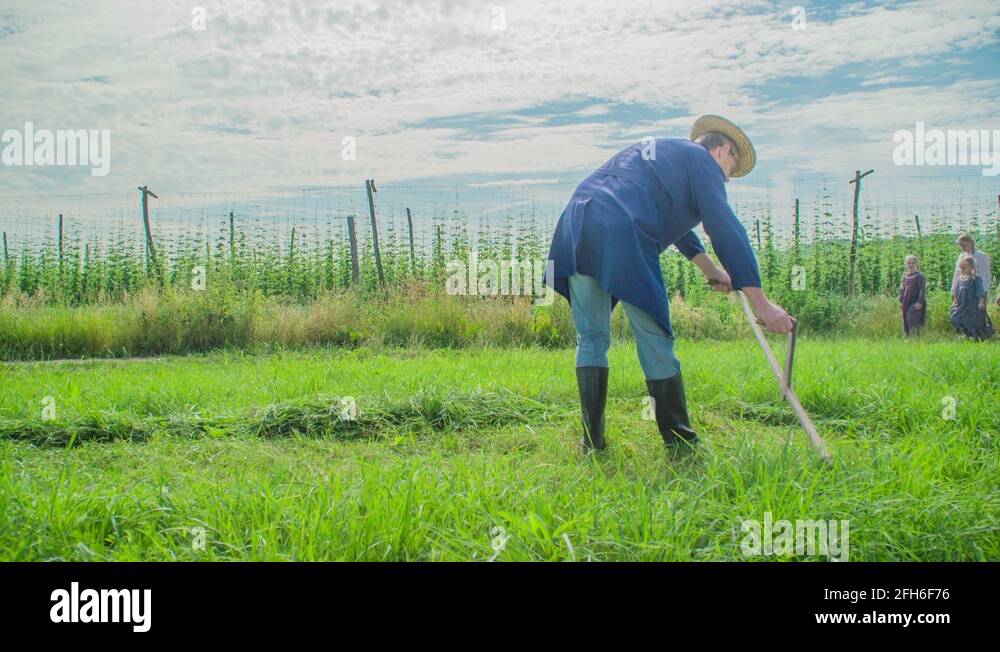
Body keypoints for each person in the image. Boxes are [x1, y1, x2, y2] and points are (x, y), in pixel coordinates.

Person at [546, 115, 793, 454]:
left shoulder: (665, 157)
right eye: (732, 169)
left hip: (575, 221)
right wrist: (762, 303)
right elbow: (724, 227)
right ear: (722, 150)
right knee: (655, 335)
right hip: (621, 230)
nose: (728, 180)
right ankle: (679, 442)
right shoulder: (702, 161)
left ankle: (592, 443)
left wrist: (711, 270)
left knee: (591, 338)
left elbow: (678, 227)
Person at [950, 255, 994, 341]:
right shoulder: (960, 279)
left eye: (964, 268)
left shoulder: (976, 278)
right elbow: (956, 290)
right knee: (955, 318)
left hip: (973, 304)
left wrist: (981, 302)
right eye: (961, 268)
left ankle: (973, 336)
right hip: (962, 304)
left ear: (971, 267)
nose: (962, 270)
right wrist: (955, 300)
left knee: (973, 321)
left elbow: (980, 291)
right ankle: (965, 333)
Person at [951, 234, 991, 308]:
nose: (962, 248)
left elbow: (985, 275)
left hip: (977, 291)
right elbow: (957, 274)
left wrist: (983, 295)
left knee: (979, 315)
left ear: (971, 243)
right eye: (960, 245)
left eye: (964, 245)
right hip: (963, 291)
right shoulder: (961, 256)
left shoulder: (980, 256)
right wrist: (953, 291)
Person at [899, 255, 926, 336]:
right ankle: (907, 336)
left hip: (916, 301)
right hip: (906, 301)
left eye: (913, 263)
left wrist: (920, 302)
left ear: (916, 264)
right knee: (905, 318)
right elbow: (902, 289)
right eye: (908, 263)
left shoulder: (920, 276)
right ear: (905, 264)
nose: (911, 265)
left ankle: (915, 335)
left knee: (911, 317)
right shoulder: (905, 276)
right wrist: (900, 301)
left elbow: (922, 289)